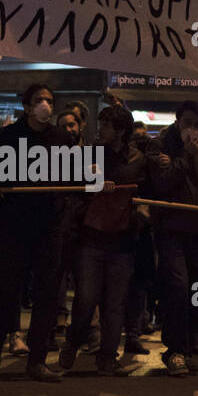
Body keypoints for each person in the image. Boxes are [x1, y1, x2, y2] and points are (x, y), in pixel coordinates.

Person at [0, 84, 75, 382]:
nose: (45, 104)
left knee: (46, 294)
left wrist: (97, 178)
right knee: (8, 290)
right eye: (39, 100)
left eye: (49, 100)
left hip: (50, 226)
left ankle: (37, 360)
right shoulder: (5, 137)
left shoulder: (62, 139)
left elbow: (79, 174)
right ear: (27, 106)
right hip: (14, 226)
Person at [58, 104, 145, 376]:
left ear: (121, 130)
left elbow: (145, 192)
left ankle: (108, 357)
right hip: (91, 238)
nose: (101, 129)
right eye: (101, 124)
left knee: (115, 302)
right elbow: (71, 187)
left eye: (107, 125)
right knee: (86, 298)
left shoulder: (136, 159)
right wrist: (93, 180)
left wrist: (140, 213)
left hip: (122, 240)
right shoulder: (89, 155)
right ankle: (74, 340)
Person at [147, 100, 198, 376]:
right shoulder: (160, 147)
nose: (191, 128)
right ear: (177, 120)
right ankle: (175, 349)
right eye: (187, 122)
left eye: (197, 123)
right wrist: (184, 156)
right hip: (171, 231)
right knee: (178, 288)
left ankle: (194, 337)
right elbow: (162, 183)